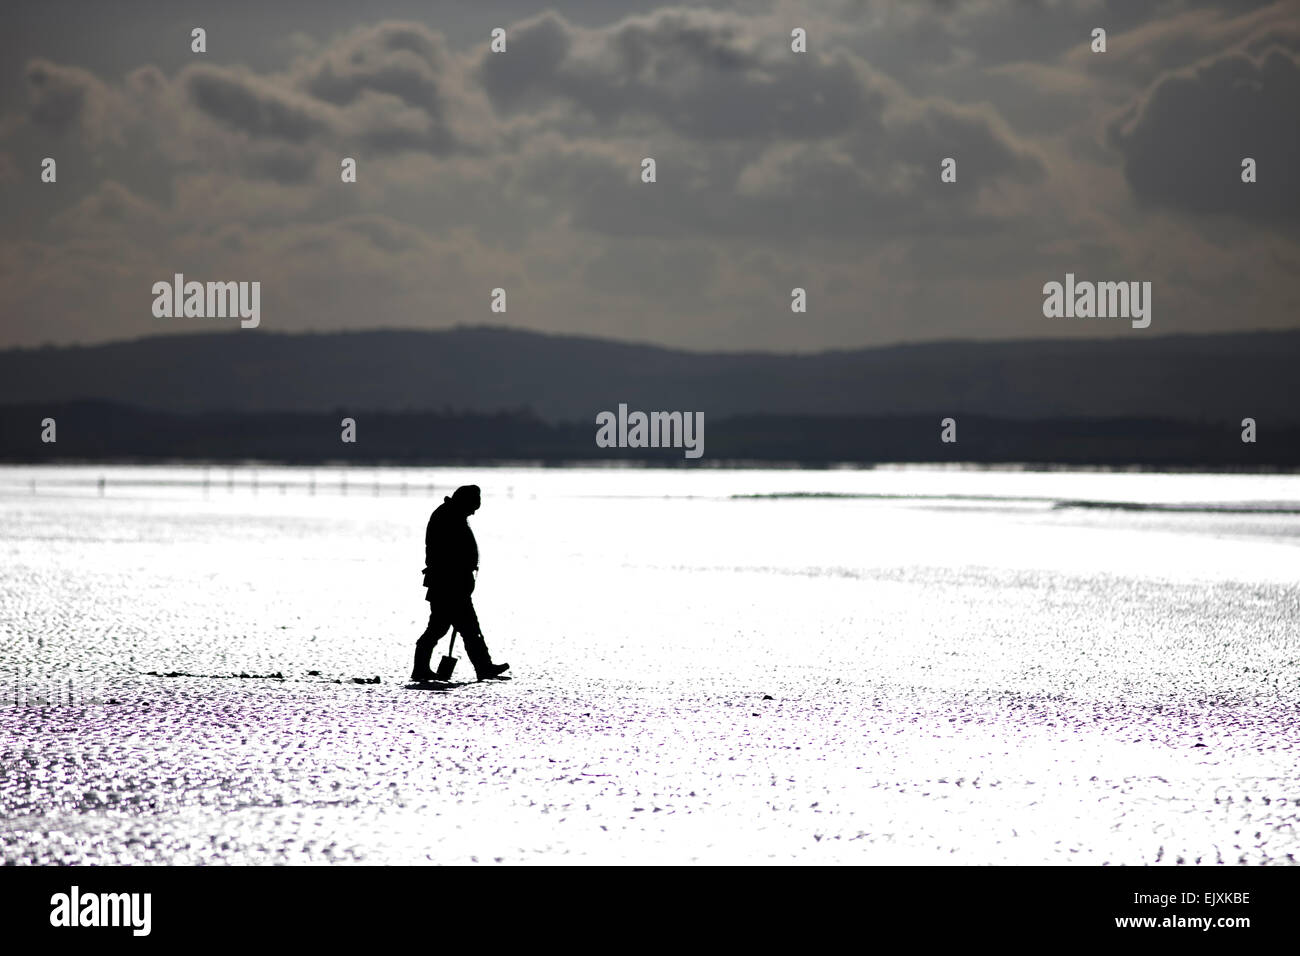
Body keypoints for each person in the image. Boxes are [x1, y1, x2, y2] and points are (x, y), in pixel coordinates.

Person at [410, 485, 510, 681]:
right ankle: (422, 669)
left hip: (453, 585)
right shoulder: (447, 517)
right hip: (447, 586)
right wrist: (461, 578)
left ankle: (484, 667)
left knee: (457, 628)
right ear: (464, 501)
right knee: (449, 629)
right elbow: (447, 555)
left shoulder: (453, 514)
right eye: (472, 507)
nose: (473, 512)